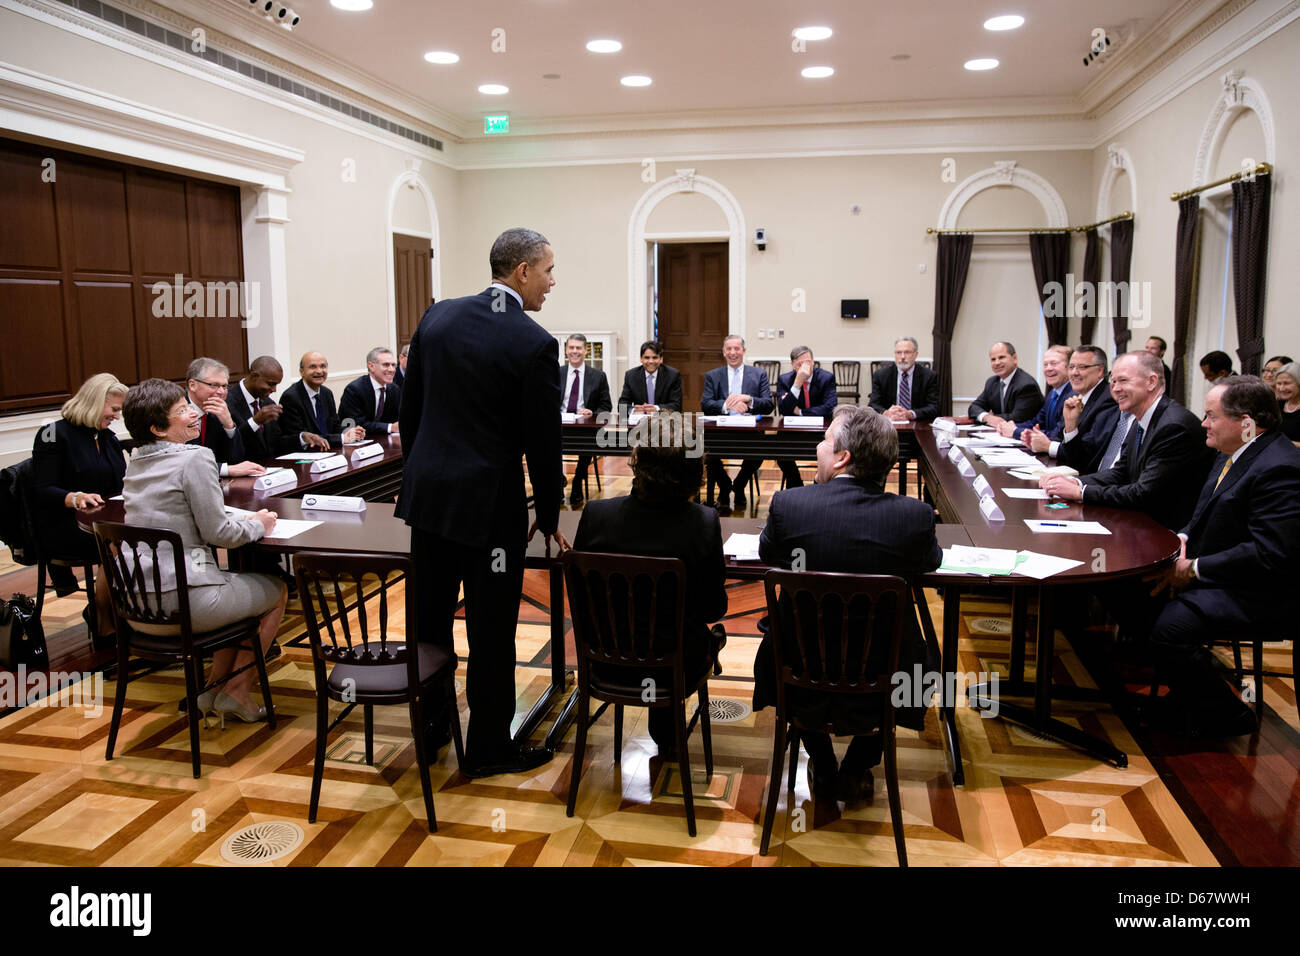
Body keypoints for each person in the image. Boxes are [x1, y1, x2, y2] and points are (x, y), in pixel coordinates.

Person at [396, 227, 566, 778]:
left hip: (428, 500)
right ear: (521, 271)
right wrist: (547, 512)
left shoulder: (437, 317)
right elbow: (543, 441)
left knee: (429, 619)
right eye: (547, 270)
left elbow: (411, 410)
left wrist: (420, 472)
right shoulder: (534, 341)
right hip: (489, 506)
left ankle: (433, 727)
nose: (551, 281)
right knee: (491, 630)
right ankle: (488, 747)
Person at [754, 404, 941, 803]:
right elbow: (931, 562)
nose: (817, 449)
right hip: (884, 673)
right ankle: (857, 767)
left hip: (799, 668)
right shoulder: (913, 517)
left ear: (842, 457)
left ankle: (822, 763)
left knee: (784, 638)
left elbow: (768, 552)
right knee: (925, 657)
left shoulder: (790, 506)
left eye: (824, 442)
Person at [120, 378, 287, 724]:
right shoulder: (196, 457)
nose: (195, 414)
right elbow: (220, 533)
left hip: (139, 607)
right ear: (158, 428)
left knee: (236, 591)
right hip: (184, 604)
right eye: (183, 410)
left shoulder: (136, 460)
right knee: (277, 589)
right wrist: (259, 524)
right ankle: (237, 691)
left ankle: (212, 690)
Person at [1144, 375, 1300, 736]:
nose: (1203, 424)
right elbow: (1204, 515)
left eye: (1211, 416)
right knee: (1138, 593)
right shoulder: (1231, 452)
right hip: (1224, 573)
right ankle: (1189, 694)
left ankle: (1229, 713)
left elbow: (1270, 552)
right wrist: (1182, 540)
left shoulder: (1281, 467)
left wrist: (1193, 569)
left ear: (1245, 422)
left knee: (1169, 629)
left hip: (1262, 592)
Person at [573, 425, 726, 759]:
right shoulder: (702, 522)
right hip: (676, 667)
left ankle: (664, 733)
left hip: (605, 661)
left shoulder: (597, 516)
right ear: (694, 469)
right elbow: (713, 609)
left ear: (636, 462)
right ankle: (668, 738)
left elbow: (583, 603)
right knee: (690, 632)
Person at [1041, 351, 1214, 530]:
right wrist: (1075, 482)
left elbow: (1144, 493)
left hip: (1166, 530)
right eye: (1113, 381)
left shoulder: (1173, 426)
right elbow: (1121, 472)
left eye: (1123, 381)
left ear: (1151, 381)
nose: (1115, 388)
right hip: (1139, 519)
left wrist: (1081, 492)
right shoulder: (1140, 419)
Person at [29, 373, 126, 630]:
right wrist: (75, 497)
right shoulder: (52, 433)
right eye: (114, 409)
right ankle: (106, 620)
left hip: (101, 519)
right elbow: (41, 489)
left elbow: (117, 482)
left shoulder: (104, 435)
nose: (117, 416)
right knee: (116, 542)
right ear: (95, 402)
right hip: (63, 524)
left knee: (138, 535)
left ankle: (117, 613)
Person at [701, 334, 773, 514]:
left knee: (760, 450)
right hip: (720, 431)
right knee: (706, 452)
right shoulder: (713, 375)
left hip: (750, 431)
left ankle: (739, 485)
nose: (733, 353)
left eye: (737, 349)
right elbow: (706, 404)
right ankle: (725, 486)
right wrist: (727, 404)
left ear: (744, 351)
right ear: (723, 352)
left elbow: (768, 405)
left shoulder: (759, 374)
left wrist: (748, 400)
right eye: (729, 349)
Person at [1027, 345, 1120, 473]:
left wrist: (1049, 446)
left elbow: (1088, 453)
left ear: (1100, 371)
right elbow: (1056, 436)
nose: (1074, 373)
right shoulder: (1074, 395)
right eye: (1071, 367)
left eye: (1082, 367)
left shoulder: (1108, 398)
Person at [185, 358, 263, 478]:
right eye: (214, 385)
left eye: (224, 386)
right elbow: (185, 462)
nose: (221, 392)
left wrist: (229, 425)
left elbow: (236, 459)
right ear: (193, 385)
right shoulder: (176, 411)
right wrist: (226, 469)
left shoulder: (220, 410)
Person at [775, 345, 838, 487]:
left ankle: (819, 484)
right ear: (792, 365)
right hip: (793, 431)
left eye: (808, 362)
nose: (805, 367)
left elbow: (830, 408)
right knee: (779, 448)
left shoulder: (826, 378)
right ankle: (796, 484)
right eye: (800, 364)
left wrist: (801, 412)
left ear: (813, 362)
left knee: (831, 450)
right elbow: (784, 409)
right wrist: (797, 383)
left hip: (821, 430)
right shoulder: (785, 380)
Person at [560, 333, 612, 506]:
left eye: (579, 348)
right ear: (566, 350)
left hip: (585, 426)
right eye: (571, 347)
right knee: (544, 442)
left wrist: (592, 412)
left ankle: (577, 481)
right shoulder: (555, 373)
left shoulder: (598, 376)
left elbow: (606, 406)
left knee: (588, 441)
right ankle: (557, 482)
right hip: (559, 423)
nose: (575, 351)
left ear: (585, 351)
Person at [278, 351, 364, 448]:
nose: (319, 371)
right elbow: (304, 437)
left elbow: (334, 426)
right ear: (302, 372)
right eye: (313, 367)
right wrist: (342, 438)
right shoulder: (291, 397)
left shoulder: (326, 393)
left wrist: (350, 432)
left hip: (329, 451)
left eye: (323, 366)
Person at [997, 345, 1073, 440]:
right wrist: (1011, 426)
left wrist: (1015, 431)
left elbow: (1058, 435)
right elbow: (1037, 422)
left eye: (1054, 363)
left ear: (1070, 367)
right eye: (1045, 364)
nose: (1048, 368)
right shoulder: (1053, 393)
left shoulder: (1073, 396)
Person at [227, 356, 289, 461]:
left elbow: (276, 442)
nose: (274, 389)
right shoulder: (228, 402)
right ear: (255, 376)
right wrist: (255, 422)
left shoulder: (268, 403)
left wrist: (301, 438)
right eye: (271, 384)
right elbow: (230, 445)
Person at [968, 341, 1043, 425]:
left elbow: (1017, 418)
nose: (997, 363)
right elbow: (974, 407)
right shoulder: (992, 382)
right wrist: (986, 417)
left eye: (1001, 357)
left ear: (1014, 358)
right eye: (993, 359)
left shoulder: (1026, 385)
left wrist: (990, 417)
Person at [868, 336, 940, 423]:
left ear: (916, 354)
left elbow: (934, 407)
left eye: (907, 352)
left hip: (917, 425)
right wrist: (887, 413)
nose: (902, 357)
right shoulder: (881, 375)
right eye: (898, 352)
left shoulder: (929, 376)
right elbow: (873, 405)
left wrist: (910, 414)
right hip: (888, 425)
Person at [339, 346, 402, 437]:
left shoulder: (394, 390)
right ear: (371, 366)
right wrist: (390, 427)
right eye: (386, 365)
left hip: (385, 440)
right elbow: (355, 424)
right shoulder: (354, 390)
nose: (392, 370)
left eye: (393, 365)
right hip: (356, 442)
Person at [618, 340, 682, 414]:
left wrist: (656, 408)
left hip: (664, 421)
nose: (651, 361)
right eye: (647, 358)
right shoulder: (631, 375)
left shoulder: (672, 375)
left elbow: (677, 406)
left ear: (661, 359)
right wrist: (634, 410)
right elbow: (621, 405)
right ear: (641, 359)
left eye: (655, 358)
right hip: (639, 422)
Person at [1273, 361, 1300, 444]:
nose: (1281, 388)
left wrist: (1288, 444)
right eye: (1279, 383)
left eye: (1286, 383)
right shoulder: (1277, 404)